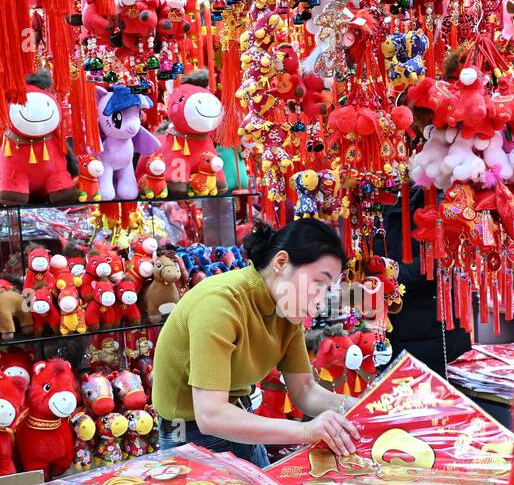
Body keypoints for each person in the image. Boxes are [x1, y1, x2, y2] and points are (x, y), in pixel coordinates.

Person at [152, 218, 362, 466]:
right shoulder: (220, 304)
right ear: (281, 262)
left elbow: (304, 390)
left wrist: (362, 408)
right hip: (190, 440)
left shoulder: (285, 309)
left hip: (242, 425)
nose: (321, 300)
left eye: (328, 288)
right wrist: (306, 431)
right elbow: (211, 415)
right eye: (318, 283)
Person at [377, 186, 472, 377]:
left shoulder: (436, 201)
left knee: (437, 396)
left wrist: (385, 276)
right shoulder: (378, 202)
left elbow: (442, 259)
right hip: (393, 326)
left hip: (432, 329)